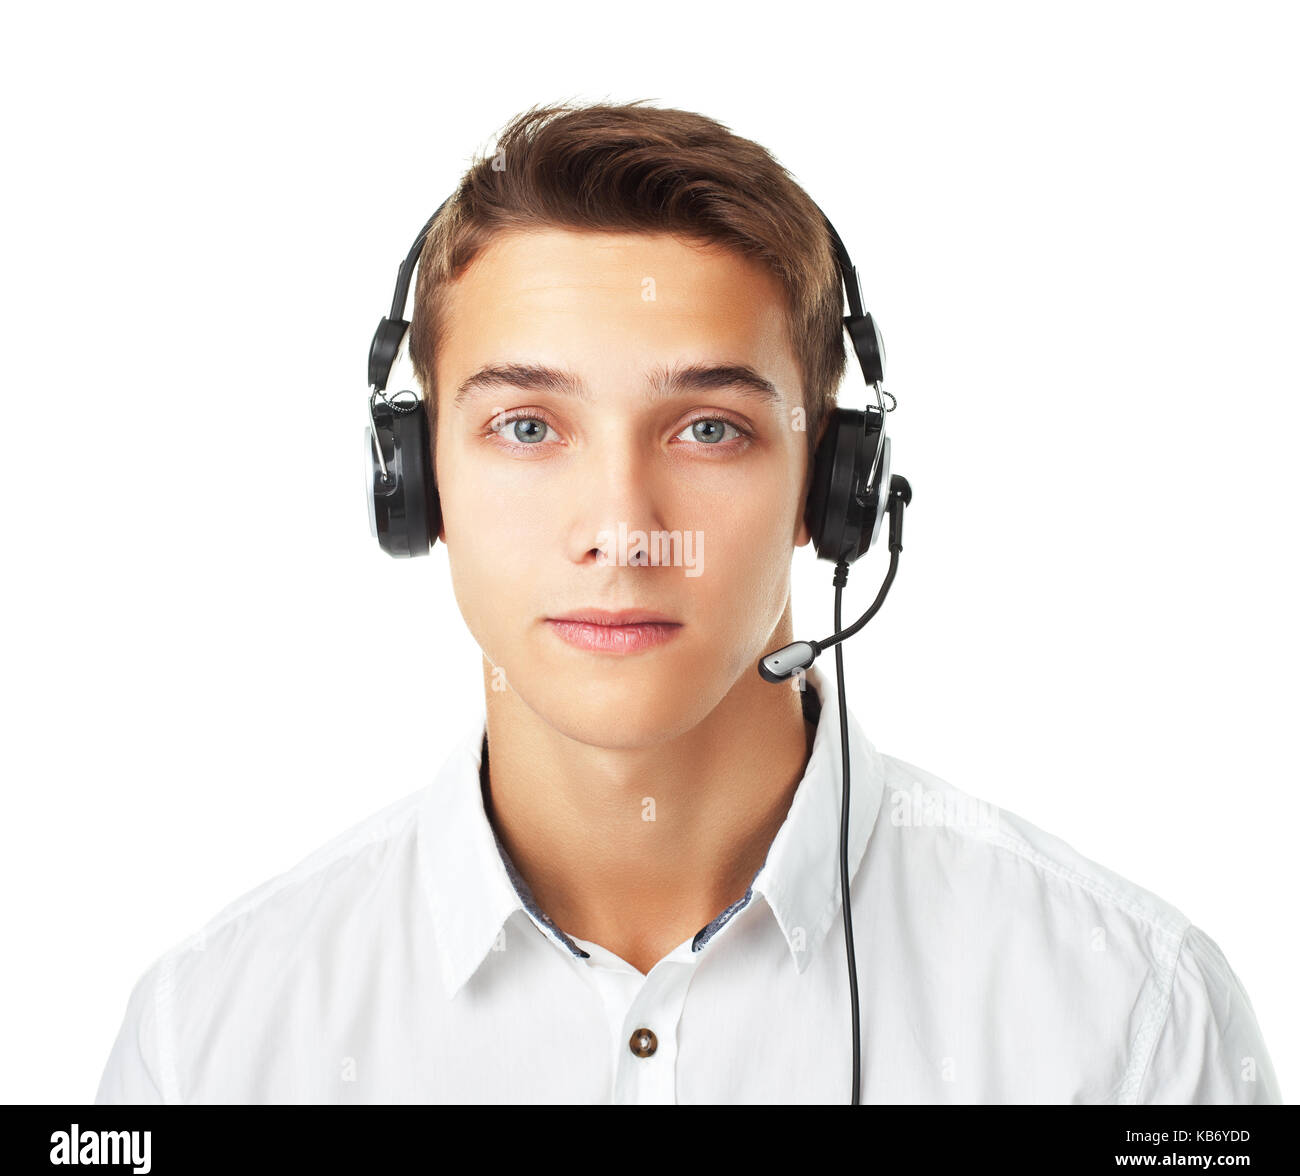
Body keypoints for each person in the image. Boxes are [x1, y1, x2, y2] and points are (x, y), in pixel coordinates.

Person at [95, 100, 1282, 1105]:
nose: (619, 527)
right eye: (526, 426)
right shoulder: (206, 1043)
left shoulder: (1131, 1018)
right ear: (413, 480)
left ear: (834, 487)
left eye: (708, 428)